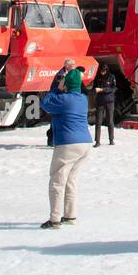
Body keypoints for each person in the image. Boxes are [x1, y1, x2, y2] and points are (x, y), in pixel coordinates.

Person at [41, 68, 91, 229]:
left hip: (67, 143)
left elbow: (45, 103)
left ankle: (54, 219)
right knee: (71, 180)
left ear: (67, 84)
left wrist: (57, 87)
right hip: (85, 143)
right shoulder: (82, 99)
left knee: (57, 180)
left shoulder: (64, 99)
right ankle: (70, 215)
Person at [92, 63, 118, 146]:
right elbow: (94, 87)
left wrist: (103, 90)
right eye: (101, 71)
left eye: (103, 71)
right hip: (100, 101)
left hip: (109, 101)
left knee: (110, 120)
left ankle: (111, 139)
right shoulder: (98, 77)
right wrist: (94, 90)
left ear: (106, 70)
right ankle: (97, 141)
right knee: (98, 121)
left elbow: (114, 88)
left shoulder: (111, 77)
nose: (102, 73)